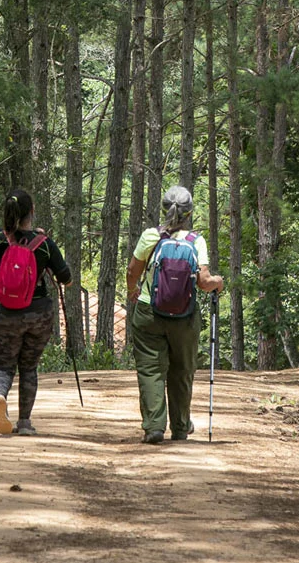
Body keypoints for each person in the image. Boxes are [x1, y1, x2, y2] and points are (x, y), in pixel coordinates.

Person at [125, 185, 224, 444]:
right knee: (182, 370)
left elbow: (132, 270)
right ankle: (180, 427)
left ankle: (154, 427)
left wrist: (132, 290)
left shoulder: (151, 236)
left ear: (163, 209)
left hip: (149, 311)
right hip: (185, 315)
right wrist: (217, 281)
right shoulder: (196, 241)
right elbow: (203, 282)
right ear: (189, 214)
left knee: (150, 369)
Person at [0, 189, 72, 436]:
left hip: (4, 313)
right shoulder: (44, 245)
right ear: (32, 212)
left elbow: (5, 244)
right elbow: (66, 278)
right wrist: (43, 243)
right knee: (28, 367)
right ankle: (24, 422)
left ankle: (0, 395)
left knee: (4, 366)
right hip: (38, 314)